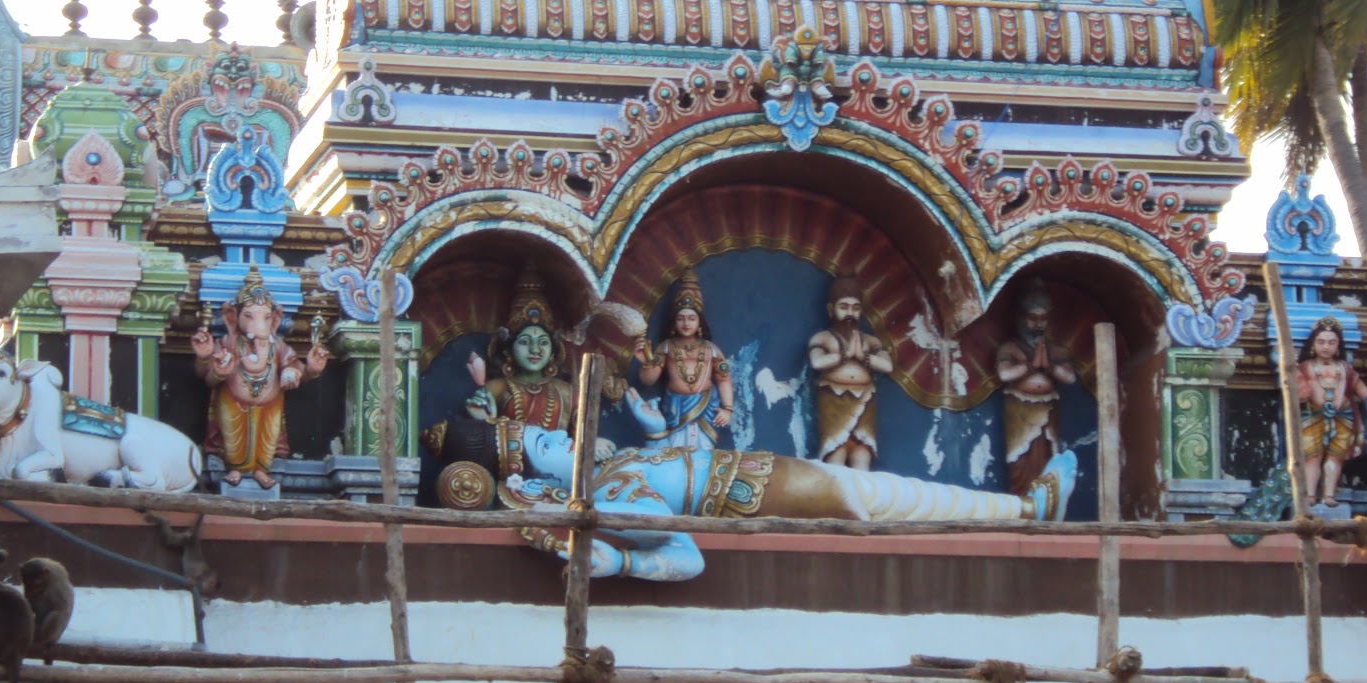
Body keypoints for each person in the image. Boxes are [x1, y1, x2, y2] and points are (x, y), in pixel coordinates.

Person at [423, 398, 1076, 582]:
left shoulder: (609, 473)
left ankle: (1021, 508)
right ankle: (1020, 511)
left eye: (551, 434)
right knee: (871, 502)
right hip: (751, 490)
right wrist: (614, 557)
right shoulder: (606, 488)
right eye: (543, 445)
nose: (560, 438)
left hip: (755, 471)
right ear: (526, 478)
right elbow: (687, 555)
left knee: (878, 492)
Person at [192, 270, 327, 488]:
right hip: (232, 403)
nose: (259, 324)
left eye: (265, 317)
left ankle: (261, 469)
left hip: (270, 406)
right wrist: (205, 358)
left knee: (268, 439)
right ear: (232, 317)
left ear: (274, 319)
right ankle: (234, 467)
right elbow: (205, 377)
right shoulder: (228, 343)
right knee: (233, 437)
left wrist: (311, 369)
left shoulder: (277, 346)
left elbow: (294, 368)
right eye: (249, 316)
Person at [466, 263, 575, 432]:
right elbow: (484, 442)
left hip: (560, 457)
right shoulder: (495, 388)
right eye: (525, 342)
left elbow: (582, 439)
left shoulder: (568, 392)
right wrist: (486, 421)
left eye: (543, 342)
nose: (535, 350)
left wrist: (596, 443)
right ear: (508, 350)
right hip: (509, 457)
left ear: (553, 351)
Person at [632, 270, 733, 448]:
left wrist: (727, 409)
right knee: (675, 449)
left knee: (704, 451)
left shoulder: (712, 350)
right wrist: (646, 362)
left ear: (699, 322)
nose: (686, 323)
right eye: (681, 319)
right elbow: (649, 381)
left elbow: (723, 379)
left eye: (692, 319)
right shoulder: (666, 347)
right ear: (675, 322)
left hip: (706, 408)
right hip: (676, 409)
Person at [996, 280, 1077, 495]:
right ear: (1021, 319)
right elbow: (1004, 374)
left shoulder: (1055, 351)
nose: (1038, 324)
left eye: (1043, 319)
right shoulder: (1011, 348)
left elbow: (1070, 378)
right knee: (1020, 462)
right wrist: (1032, 366)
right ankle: (1022, 502)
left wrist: (1049, 366)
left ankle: (1044, 505)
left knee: (1047, 458)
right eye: (1033, 318)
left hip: (1048, 410)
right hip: (1020, 409)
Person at [1295, 317, 1367, 508]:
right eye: (1321, 342)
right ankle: (1310, 494)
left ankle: (1328, 495)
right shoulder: (1306, 367)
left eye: (1331, 342)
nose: (1326, 347)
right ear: (1312, 345)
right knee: (1312, 456)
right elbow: (1296, 393)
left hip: (1343, 417)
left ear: (1338, 346)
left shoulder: (1345, 369)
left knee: (1335, 457)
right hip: (1312, 417)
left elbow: (1363, 392)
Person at [809, 275, 895, 468]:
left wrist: (863, 357)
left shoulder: (870, 341)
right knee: (836, 453)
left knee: (862, 453)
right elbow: (817, 362)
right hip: (833, 399)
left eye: (855, 308)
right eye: (844, 307)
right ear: (831, 310)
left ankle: (863, 496)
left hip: (865, 398)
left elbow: (887, 366)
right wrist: (845, 356)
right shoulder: (823, 338)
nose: (850, 313)